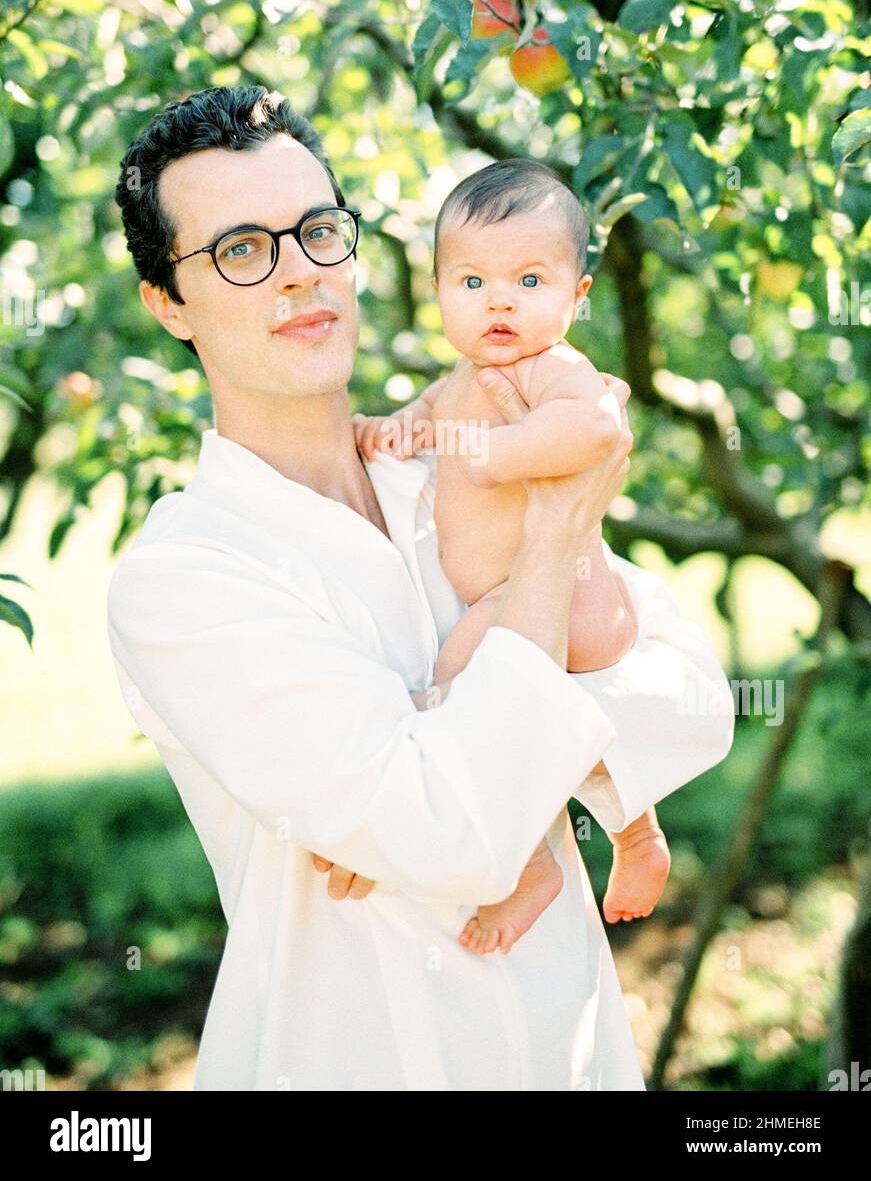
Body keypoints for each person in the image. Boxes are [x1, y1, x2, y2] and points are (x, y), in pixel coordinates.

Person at [107, 84, 734, 1091]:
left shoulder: (455, 450)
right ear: (168, 302)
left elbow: (693, 696)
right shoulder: (185, 574)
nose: (300, 274)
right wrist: (557, 533)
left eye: (318, 230)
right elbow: (451, 831)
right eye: (239, 249)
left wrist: (447, 755)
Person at [352, 159, 670, 957]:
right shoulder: (464, 377)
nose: (499, 300)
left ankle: (530, 864)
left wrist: (501, 454)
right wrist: (391, 428)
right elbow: (424, 421)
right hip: (514, 595)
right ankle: (635, 836)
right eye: (471, 281)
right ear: (436, 290)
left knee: (463, 699)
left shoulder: (547, 369)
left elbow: (596, 428)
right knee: (558, 733)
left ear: (577, 294)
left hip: (562, 593)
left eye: (529, 279)